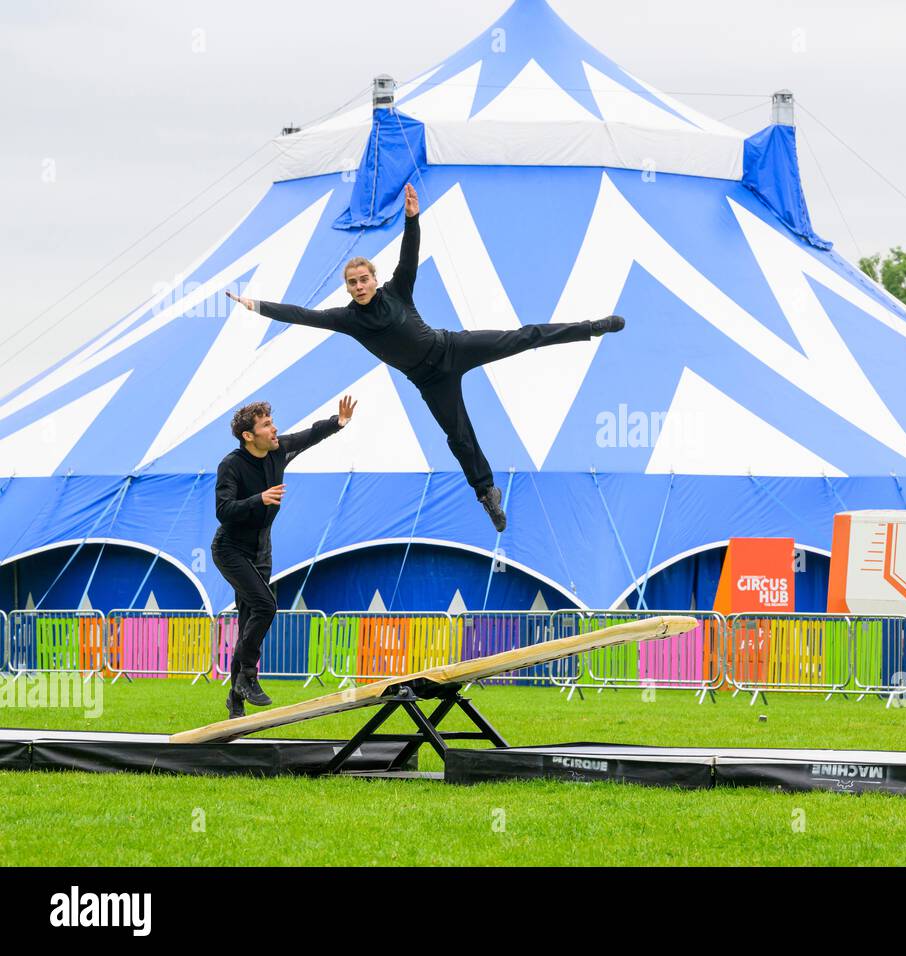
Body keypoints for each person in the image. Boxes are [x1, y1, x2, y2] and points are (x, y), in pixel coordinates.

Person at [226, 183, 624, 533]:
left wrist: (412, 219)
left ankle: (591, 326)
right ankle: (487, 494)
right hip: (431, 381)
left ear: (374, 280)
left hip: (451, 347)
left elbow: (409, 256)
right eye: (352, 283)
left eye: (364, 279)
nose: (359, 286)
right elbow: (301, 315)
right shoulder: (347, 320)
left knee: (521, 337)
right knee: (459, 437)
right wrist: (255, 305)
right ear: (348, 289)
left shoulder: (398, 290)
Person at [213, 396, 355, 718]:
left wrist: (338, 422)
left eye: (271, 421)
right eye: (266, 425)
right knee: (266, 605)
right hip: (230, 550)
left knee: (250, 623)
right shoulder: (231, 465)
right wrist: (258, 499)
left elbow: (309, 435)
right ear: (249, 436)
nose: (274, 428)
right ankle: (248, 675)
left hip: (261, 551)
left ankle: (236, 701)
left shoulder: (277, 450)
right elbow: (223, 511)